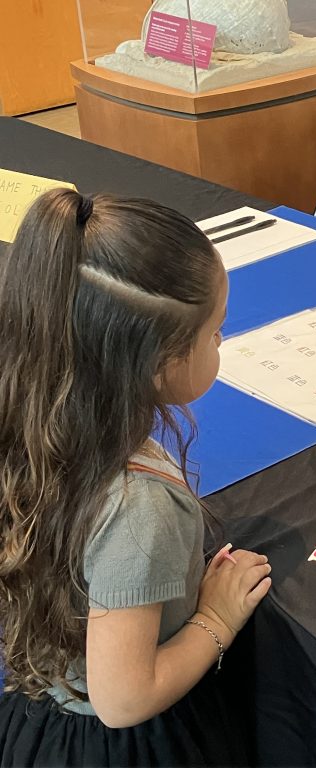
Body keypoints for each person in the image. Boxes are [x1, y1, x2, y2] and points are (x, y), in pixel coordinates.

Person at [0, 189, 272, 766]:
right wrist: (215, 620)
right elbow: (123, 698)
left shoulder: (31, 417)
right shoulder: (138, 511)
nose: (222, 341)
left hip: (41, 703)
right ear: (157, 364)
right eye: (214, 332)